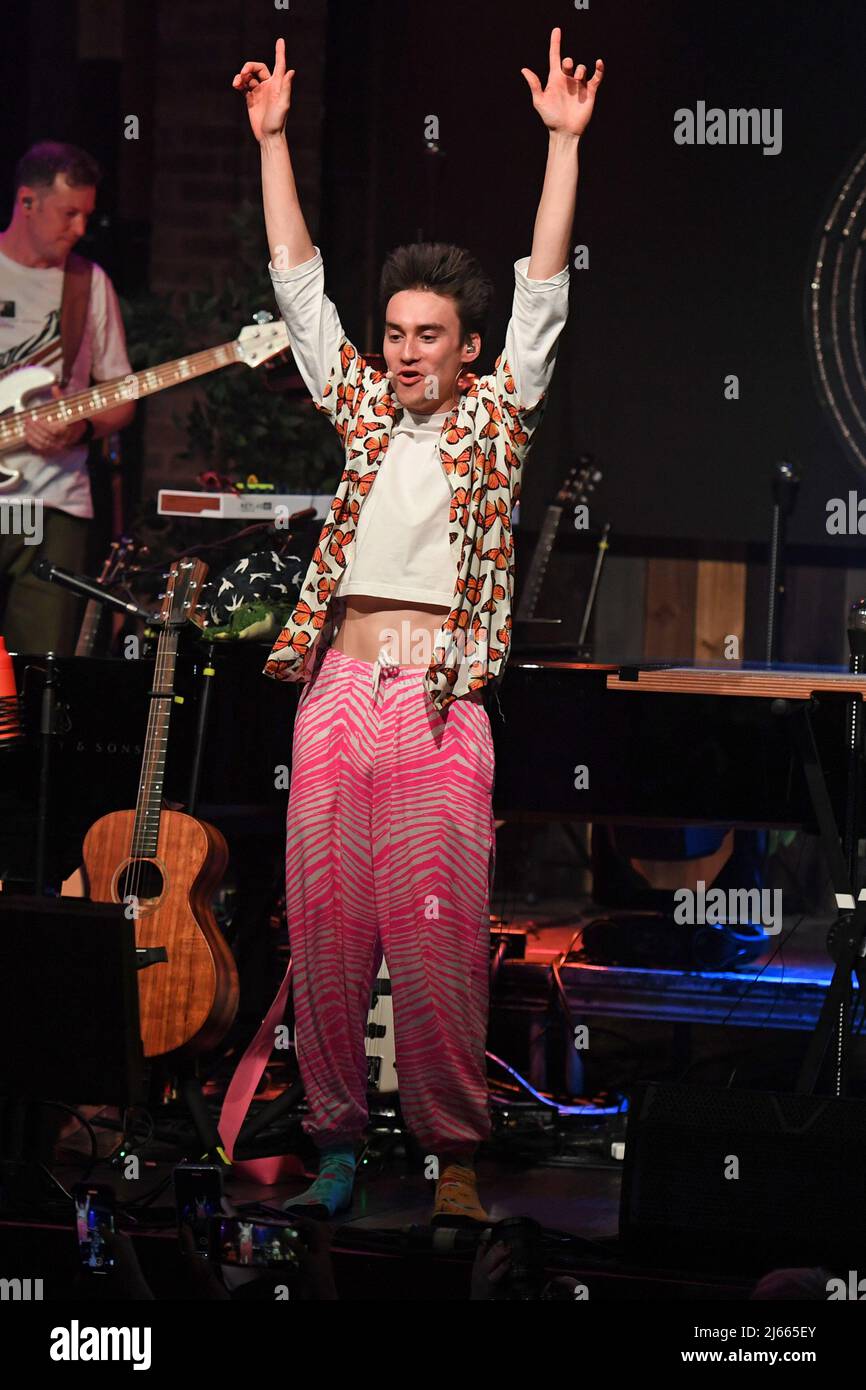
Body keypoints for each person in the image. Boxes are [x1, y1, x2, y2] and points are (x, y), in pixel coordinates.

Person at [232, 29, 603, 1224]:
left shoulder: (494, 425)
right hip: (340, 689)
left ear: (467, 350)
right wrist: (274, 141)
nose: (401, 351)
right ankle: (336, 1139)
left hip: (440, 700)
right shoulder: (359, 411)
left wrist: (559, 145)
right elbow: (298, 287)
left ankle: (449, 1156)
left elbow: (542, 289)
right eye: (392, 333)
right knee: (328, 927)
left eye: (425, 334)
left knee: (435, 940)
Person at [0, 142, 135, 655]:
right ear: (27, 202)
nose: (79, 229)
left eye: (87, 215)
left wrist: (76, 430)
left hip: (53, 504)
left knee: (40, 673)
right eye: (68, 213)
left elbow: (121, 398)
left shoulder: (89, 284)